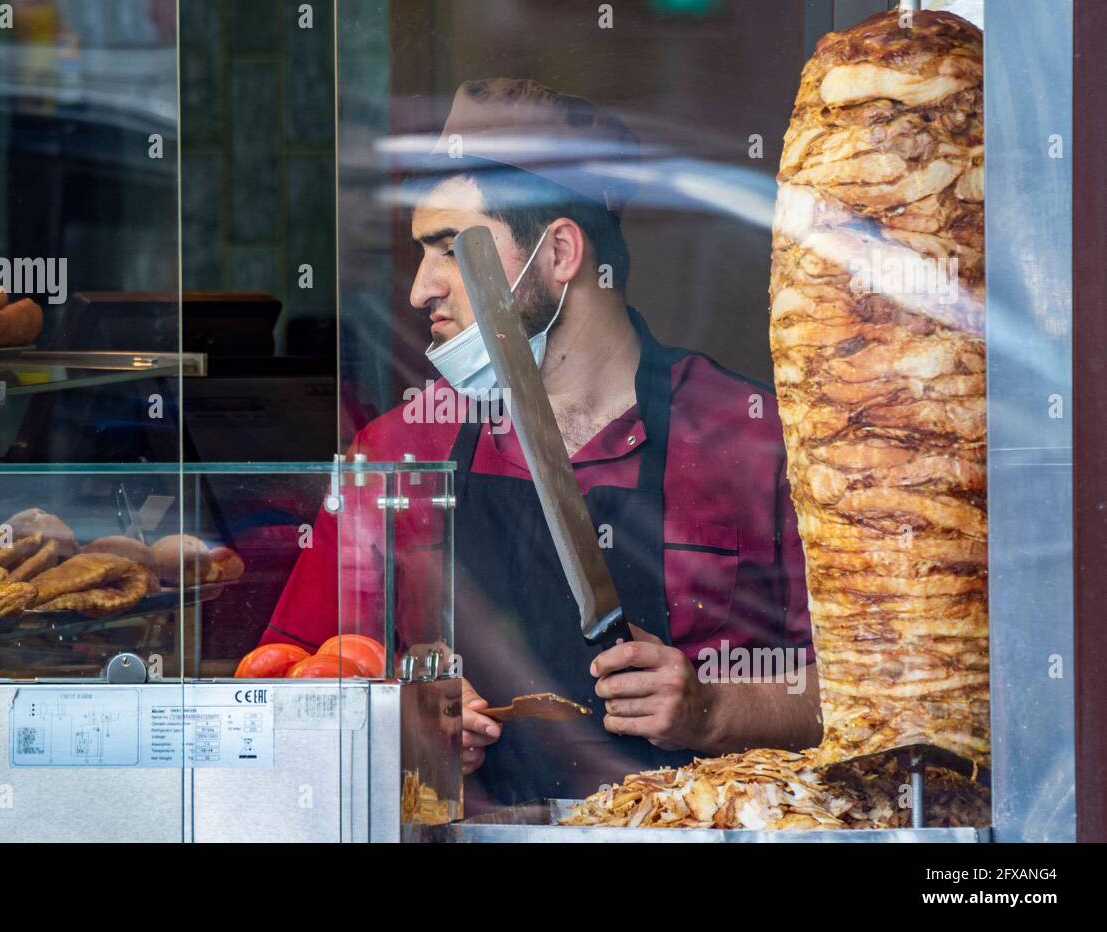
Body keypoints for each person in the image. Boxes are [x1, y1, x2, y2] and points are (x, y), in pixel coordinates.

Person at [257, 78, 818, 807]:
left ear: (559, 252)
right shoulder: (397, 451)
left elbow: (875, 692)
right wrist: (398, 715)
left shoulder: (754, 439)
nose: (420, 290)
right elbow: (281, 688)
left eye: (451, 250)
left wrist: (716, 709)